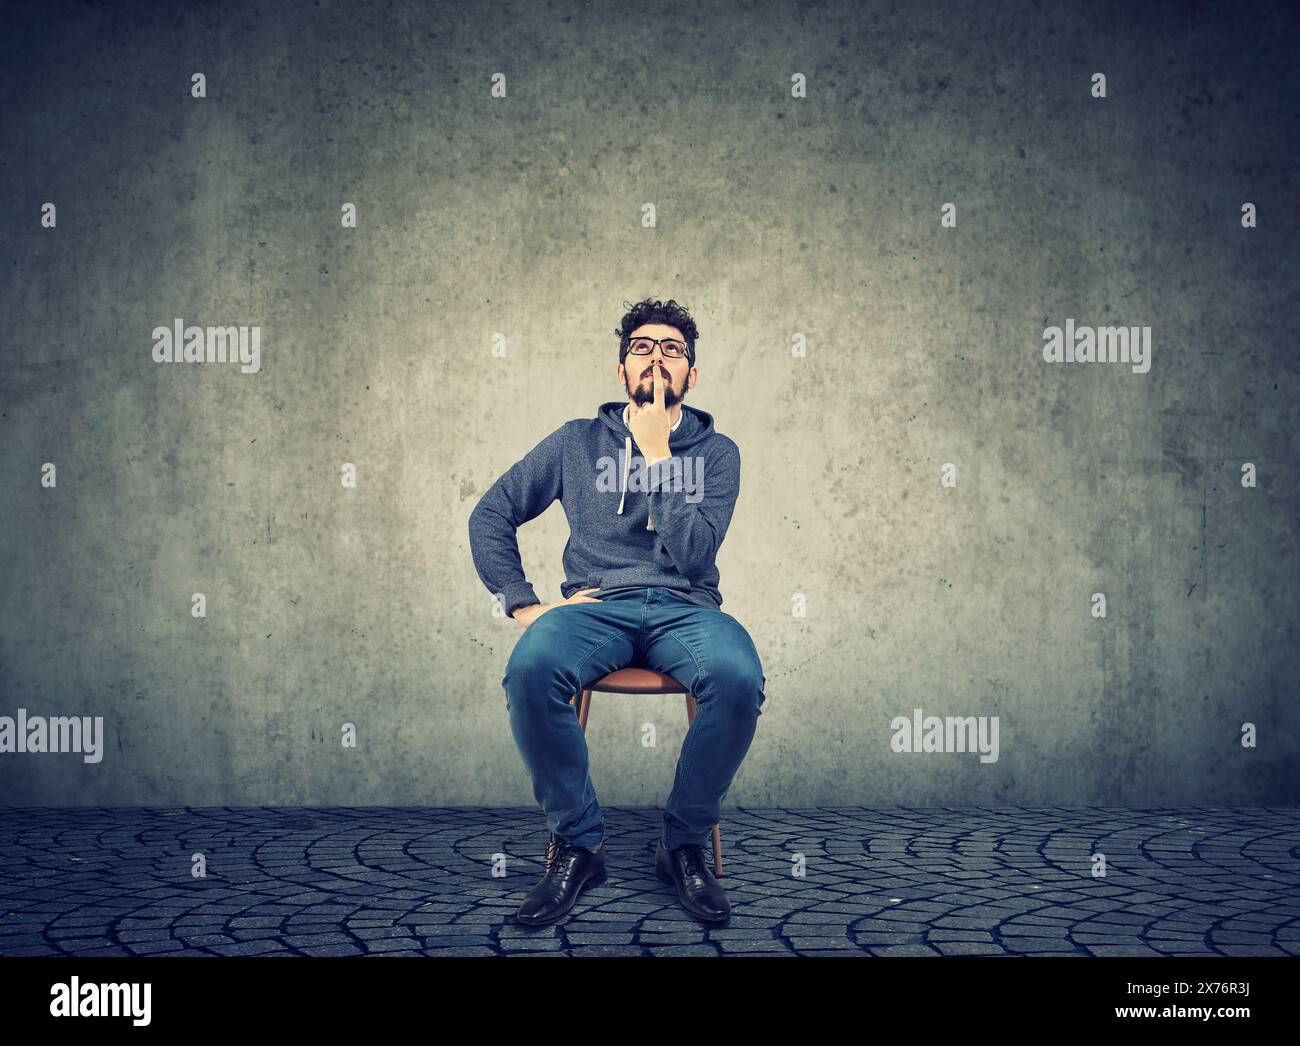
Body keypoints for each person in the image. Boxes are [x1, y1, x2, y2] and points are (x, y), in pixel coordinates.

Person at [468, 297, 767, 927]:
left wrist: (657, 456)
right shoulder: (576, 441)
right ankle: (579, 844)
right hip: (597, 605)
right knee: (531, 670)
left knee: (738, 677)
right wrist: (522, 604)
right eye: (642, 348)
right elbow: (491, 513)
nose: (656, 359)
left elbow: (695, 554)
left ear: (692, 374)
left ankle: (683, 844)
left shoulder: (718, 454)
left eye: (672, 350)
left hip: (685, 608)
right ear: (621, 370)